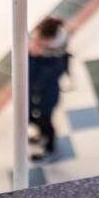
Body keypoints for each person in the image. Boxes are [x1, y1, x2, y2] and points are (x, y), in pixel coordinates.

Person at [27, 17, 70, 162]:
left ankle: (50, 149)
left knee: (45, 121)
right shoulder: (50, 51)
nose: (34, 42)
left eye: (38, 40)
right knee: (31, 117)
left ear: (48, 41)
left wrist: (32, 57)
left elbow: (33, 77)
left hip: (46, 96)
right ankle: (42, 136)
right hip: (38, 94)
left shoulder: (53, 60)